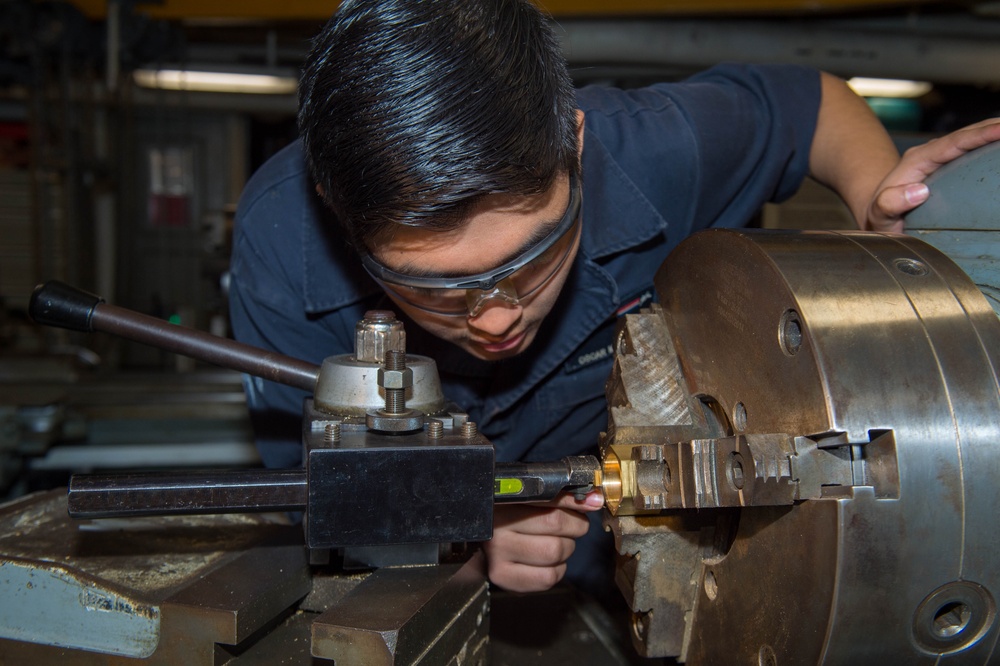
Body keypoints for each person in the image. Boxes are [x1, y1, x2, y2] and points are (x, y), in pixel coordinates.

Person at [229, 0, 1000, 595]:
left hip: (638, 539)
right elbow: (320, 509)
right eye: (434, 286)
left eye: (531, 257)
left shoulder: (657, 148)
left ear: (577, 146)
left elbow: (810, 105)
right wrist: (457, 543)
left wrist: (877, 195)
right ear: (337, 213)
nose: (497, 316)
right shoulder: (278, 248)